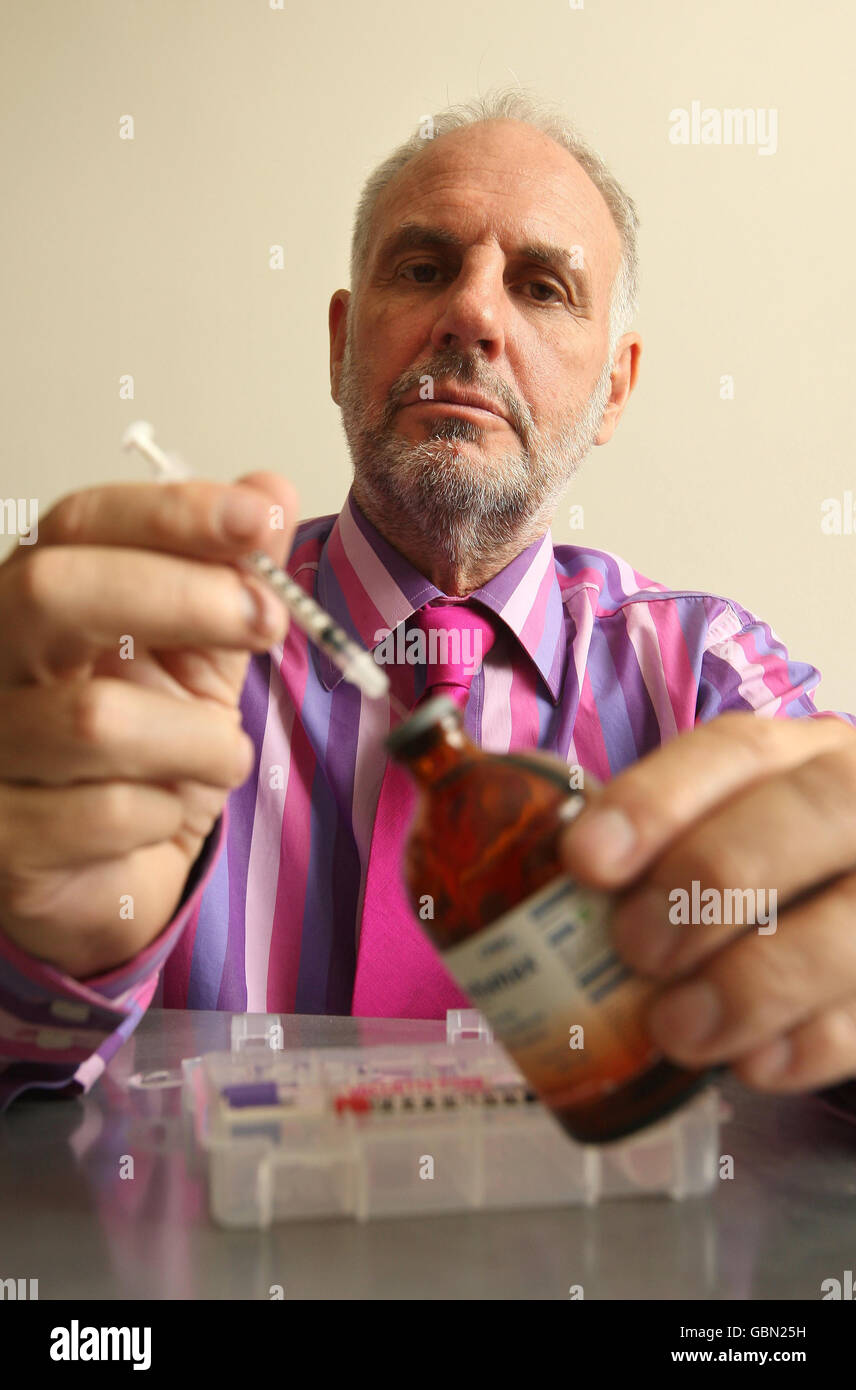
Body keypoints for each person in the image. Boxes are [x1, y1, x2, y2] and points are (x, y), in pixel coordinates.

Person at [1, 87, 854, 1114]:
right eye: (423, 268)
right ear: (342, 341)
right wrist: (38, 959)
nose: (474, 314)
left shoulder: (702, 673)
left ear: (614, 391)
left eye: (541, 287)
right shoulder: (148, 669)